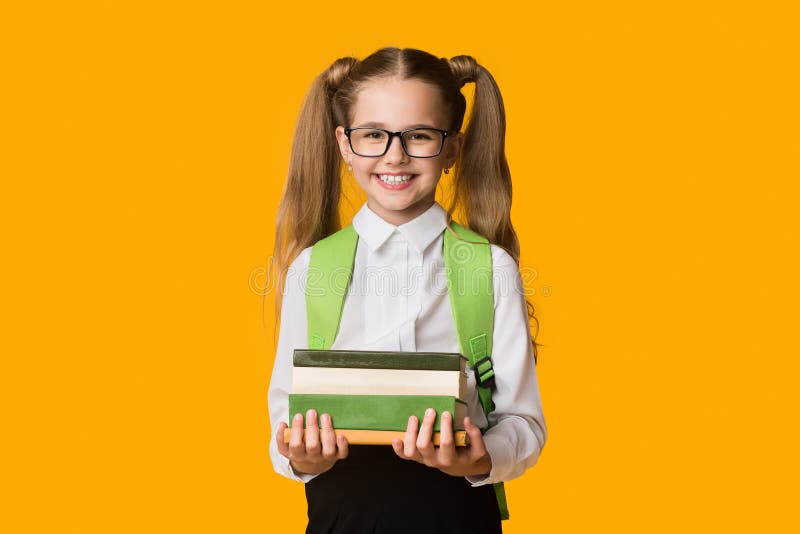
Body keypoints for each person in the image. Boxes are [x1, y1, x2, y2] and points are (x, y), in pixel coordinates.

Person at [267, 47, 546, 534]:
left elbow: (525, 426)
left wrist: (478, 459)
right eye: (373, 135)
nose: (394, 155)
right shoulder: (311, 270)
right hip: (341, 518)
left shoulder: (490, 269)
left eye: (418, 135)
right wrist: (302, 456)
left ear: (452, 149)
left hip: (457, 516)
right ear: (344, 145)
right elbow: (282, 426)